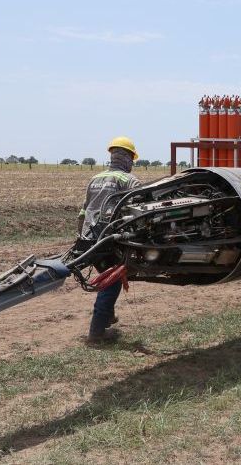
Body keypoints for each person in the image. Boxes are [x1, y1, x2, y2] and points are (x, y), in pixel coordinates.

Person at [79, 136, 142, 343]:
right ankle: (97, 332)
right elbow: (139, 212)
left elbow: (83, 211)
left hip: (89, 237)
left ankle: (108, 316)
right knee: (112, 281)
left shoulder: (94, 179)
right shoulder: (129, 181)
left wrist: (81, 236)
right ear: (128, 158)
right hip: (109, 238)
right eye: (132, 159)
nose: (131, 163)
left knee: (107, 275)